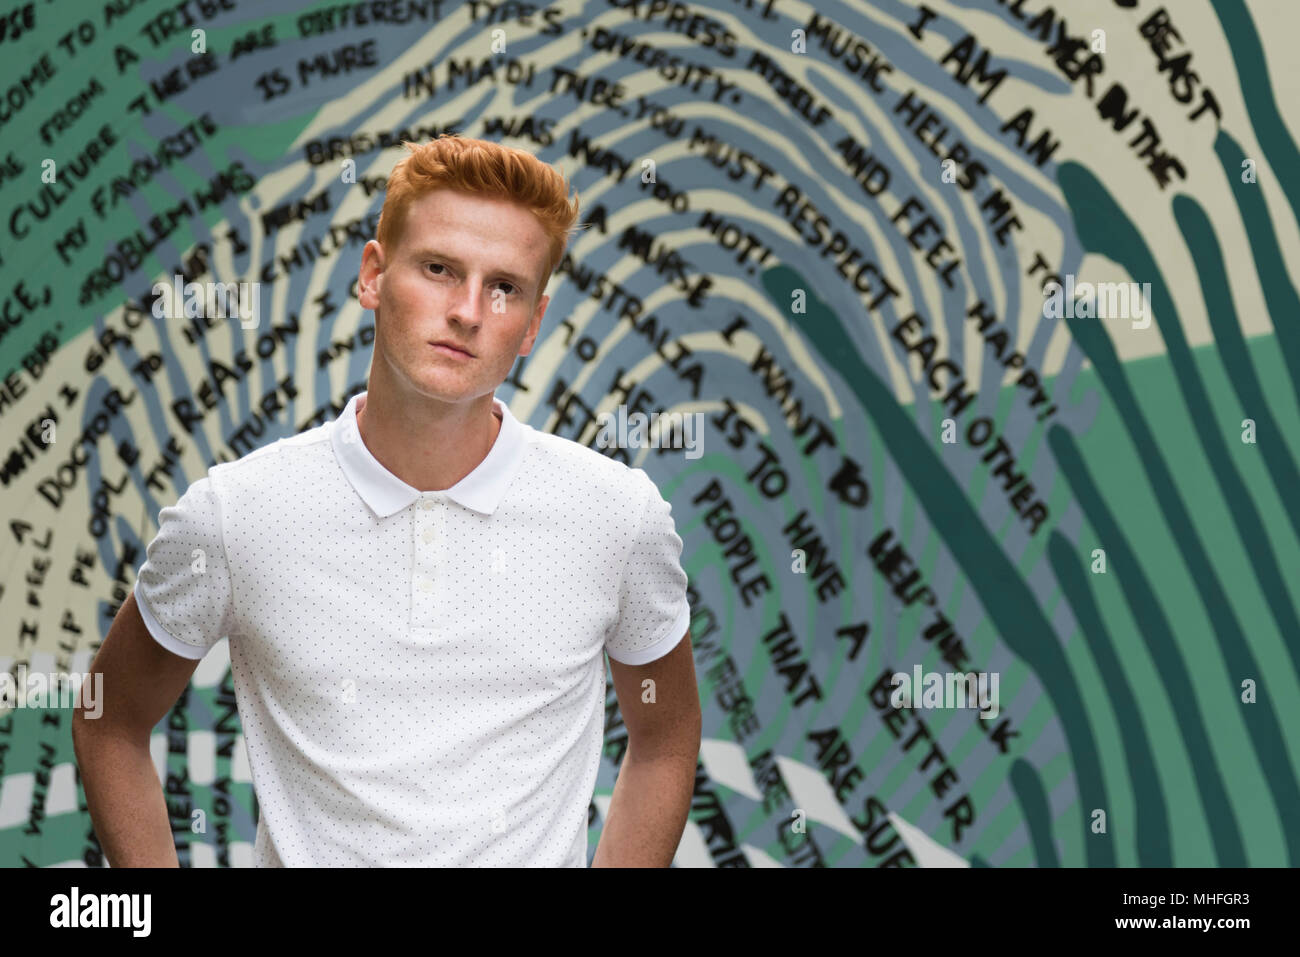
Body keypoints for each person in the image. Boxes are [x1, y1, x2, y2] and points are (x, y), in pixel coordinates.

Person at [72, 135, 701, 867]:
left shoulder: (616, 517)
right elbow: (110, 719)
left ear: (532, 323)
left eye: (504, 287)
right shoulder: (237, 515)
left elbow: (665, 738)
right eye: (439, 269)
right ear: (373, 275)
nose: (468, 310)